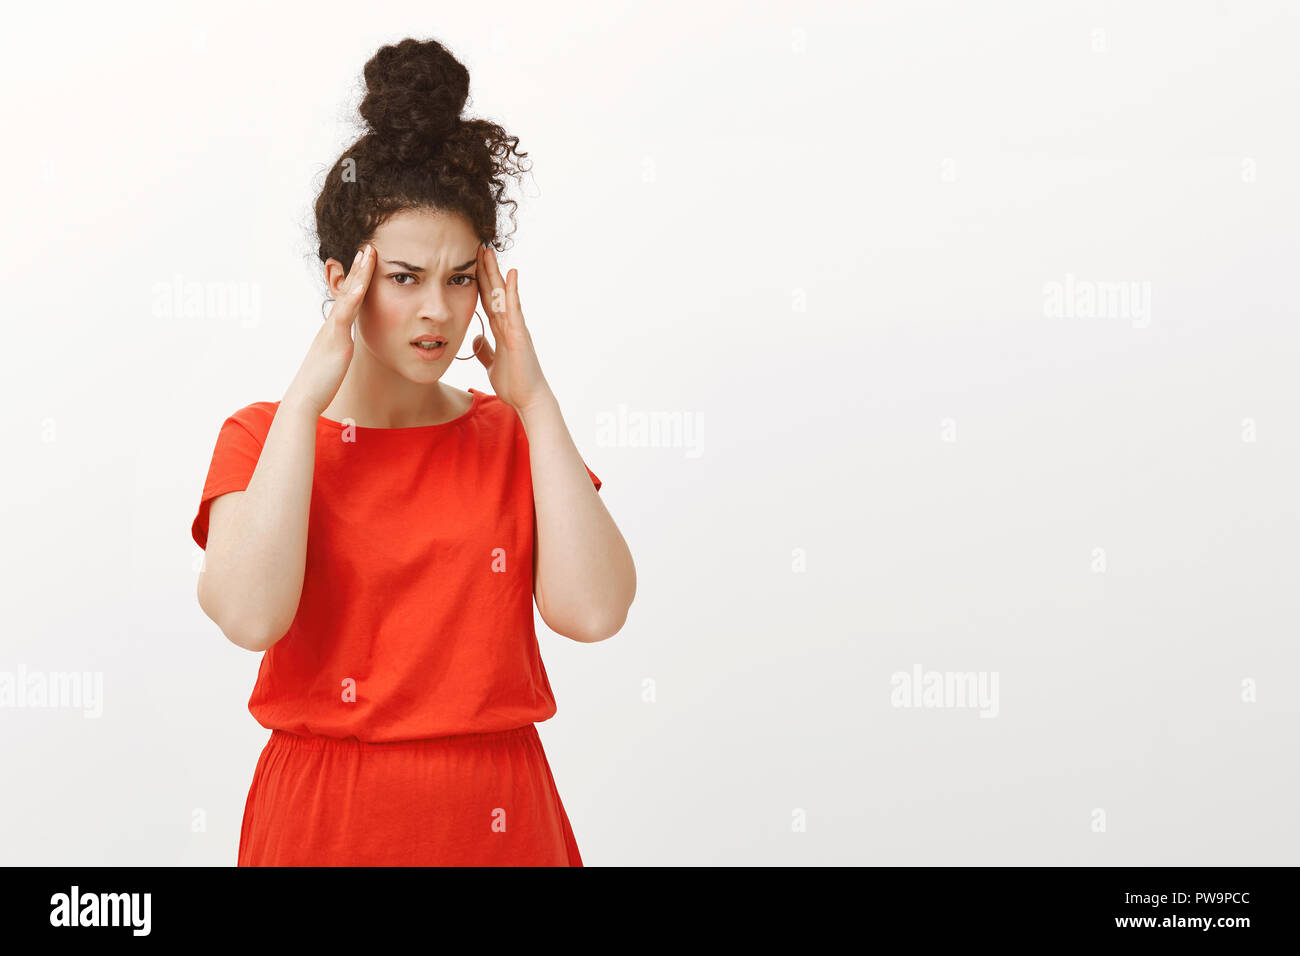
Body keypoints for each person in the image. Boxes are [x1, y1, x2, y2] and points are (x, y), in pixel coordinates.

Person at [190, 37, 636, 866]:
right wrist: (304, 403)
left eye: (461, 278)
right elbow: (251, 617)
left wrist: (534, 400)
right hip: (326, 821)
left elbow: (596, 611)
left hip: (502, 817)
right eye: (403, 278)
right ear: (340, 279)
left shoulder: (510, 436)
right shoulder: (263, 435)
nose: (438, 310)